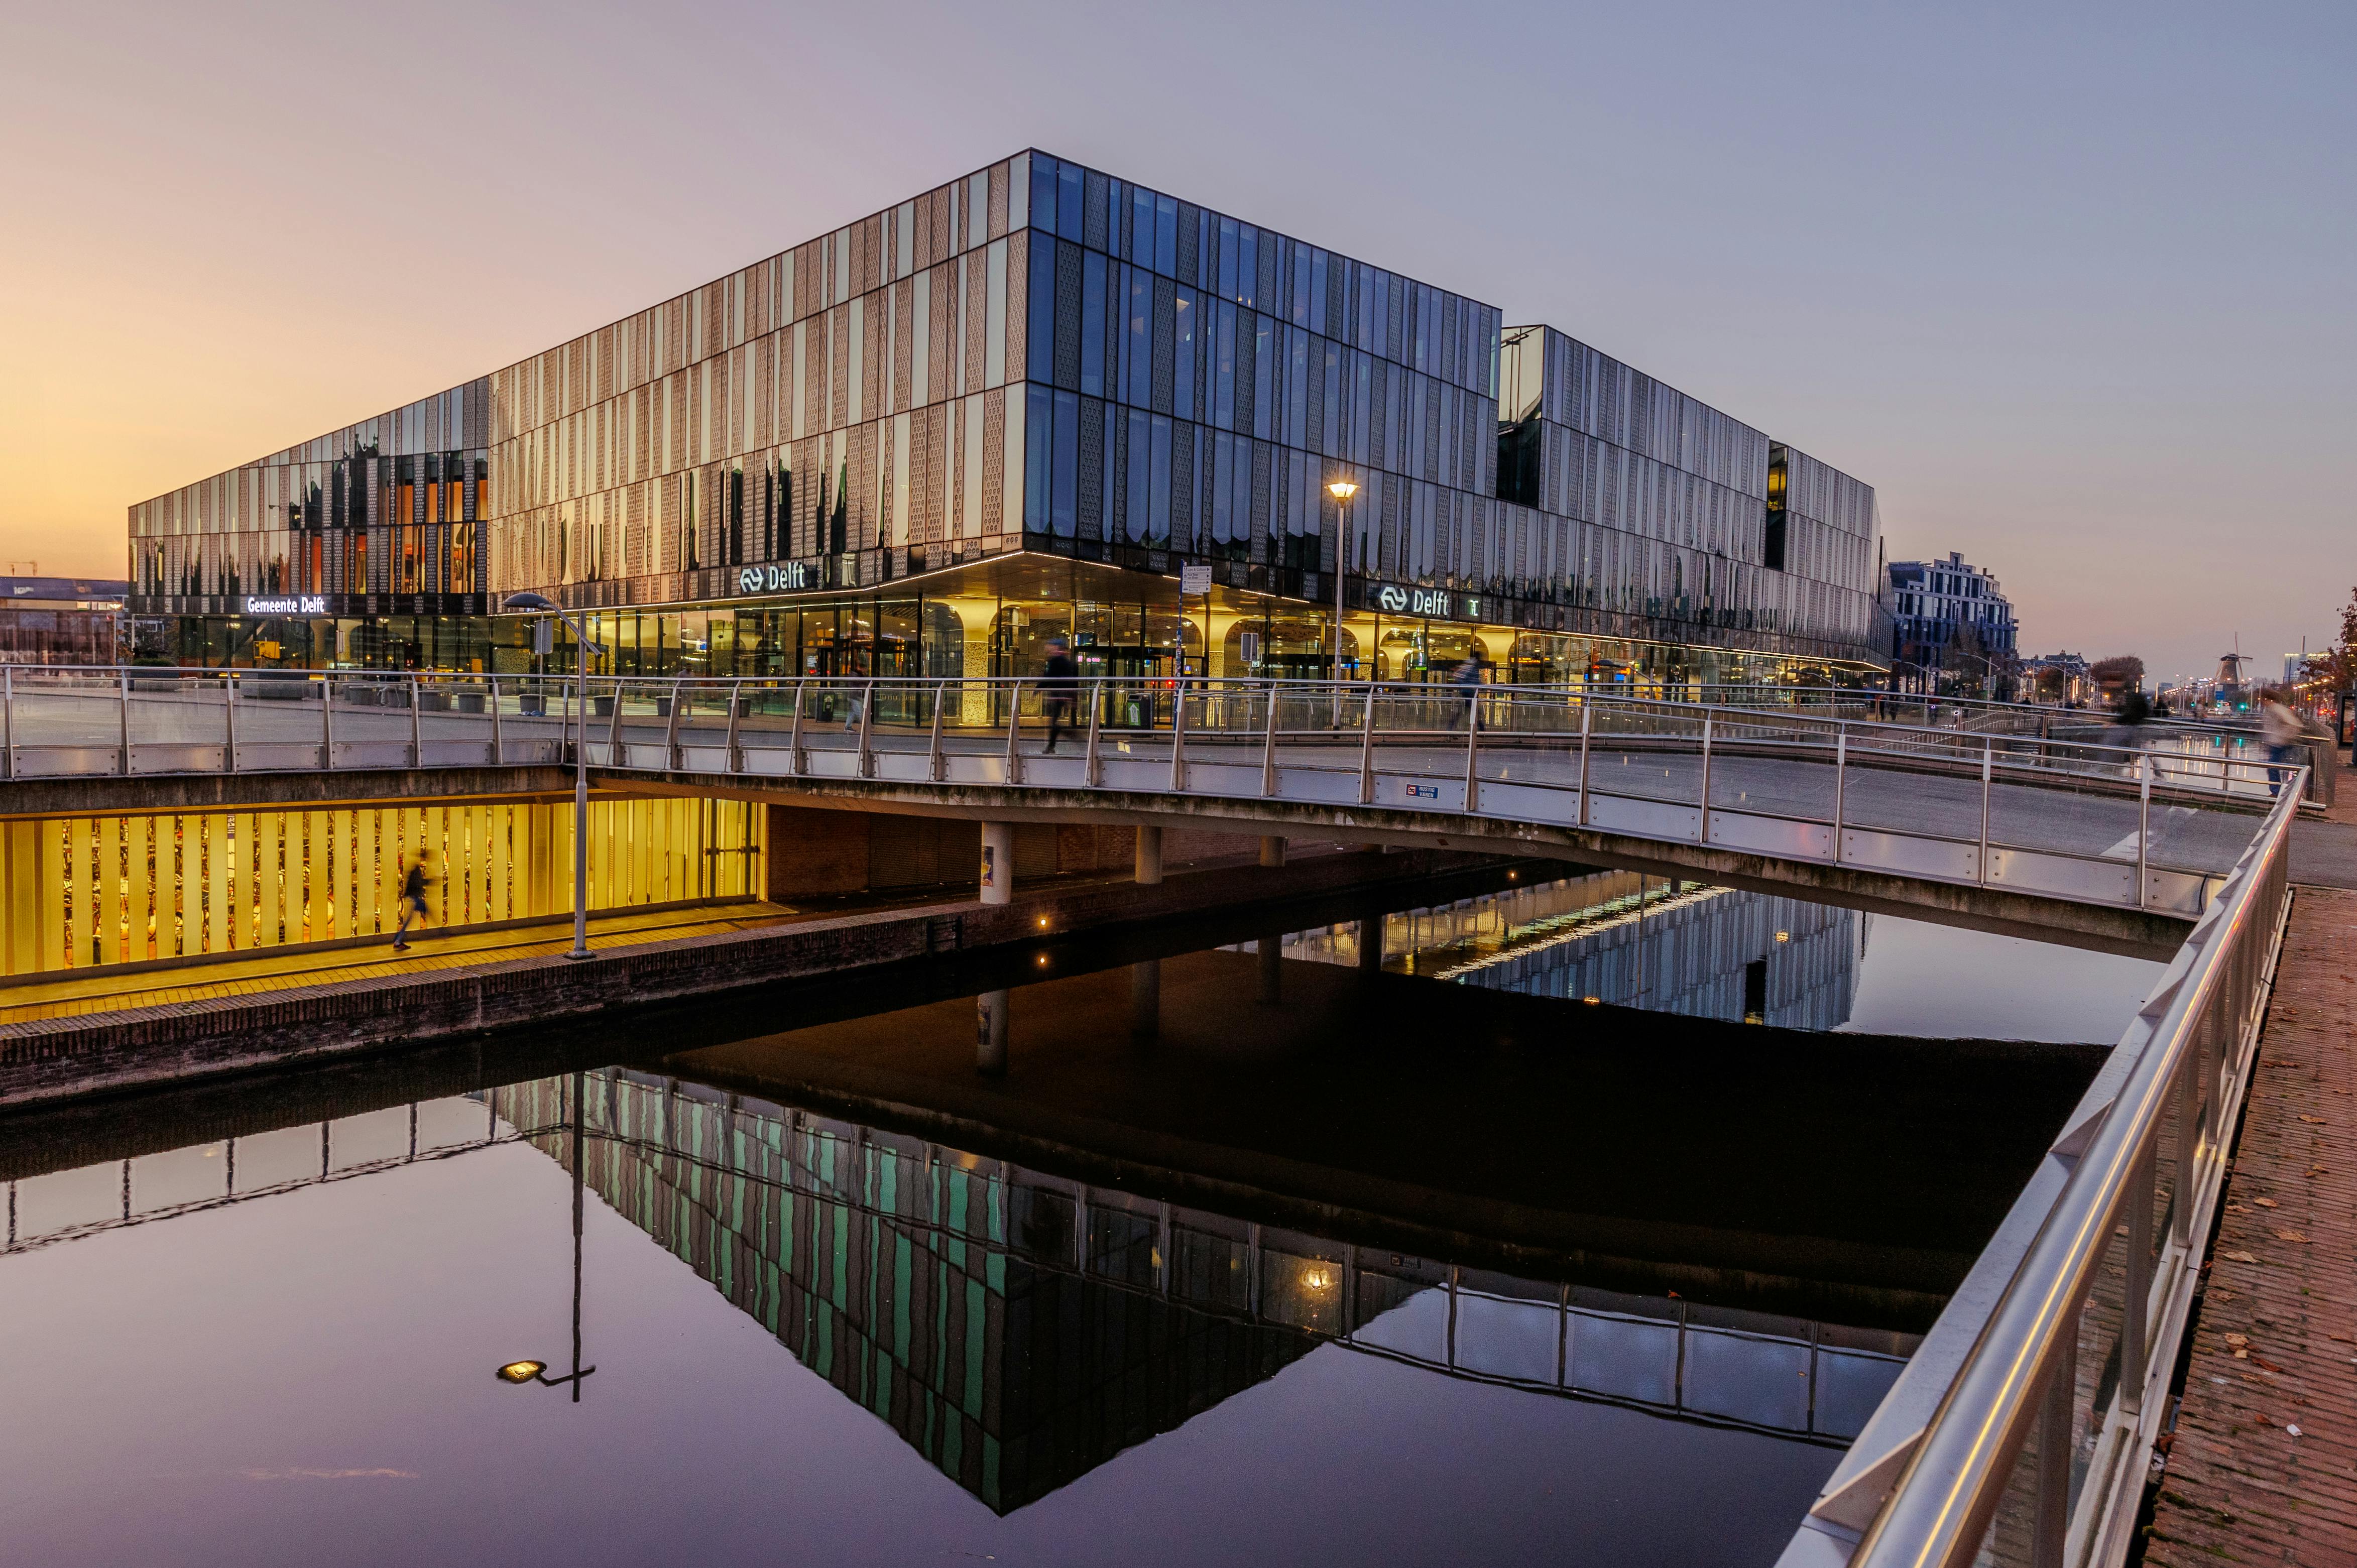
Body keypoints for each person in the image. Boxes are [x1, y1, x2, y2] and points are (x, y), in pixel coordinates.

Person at [2260, 690, 2307, 798]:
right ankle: (2280, 791)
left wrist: (2283, 737)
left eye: (2263, 699)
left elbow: (2293, 724)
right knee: (2275, 767)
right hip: (2277, 743)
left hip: (2280, 744)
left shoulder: (2276, 709)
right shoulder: (2274, 709)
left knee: (2273, 767)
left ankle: (2278, 792)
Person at [1041, 635, 1080, 755]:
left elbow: (1049, 677)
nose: (1048, 647)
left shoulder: (1056, 660)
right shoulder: (1066, 661)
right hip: (1062, 695)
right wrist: (1073, 698)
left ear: (1056, 647)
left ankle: (1061, 739)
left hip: (1058, 696)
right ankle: (1052, 745)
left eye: (1050, 645)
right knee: (1054, 721)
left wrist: (1038, 688)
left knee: (1054, 722)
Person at [391, 852, 431, 952]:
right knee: (427, 913)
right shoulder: (416, 870)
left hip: (414, 897)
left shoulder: (415, 869)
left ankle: (398, 940)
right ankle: (443, 934)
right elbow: (417, 883)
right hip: (415, 897)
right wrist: (430, 881)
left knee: (411, 919)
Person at [1451, 654, 1483, 730]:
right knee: (1474, 711)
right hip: (1470, 693)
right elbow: (1460, 676)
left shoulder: (1469, 666)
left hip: (1467, 692)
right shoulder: (1471, 667)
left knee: (1461, 711)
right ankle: (1481, 729)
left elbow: (1458, 676)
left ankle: (1451, 727)